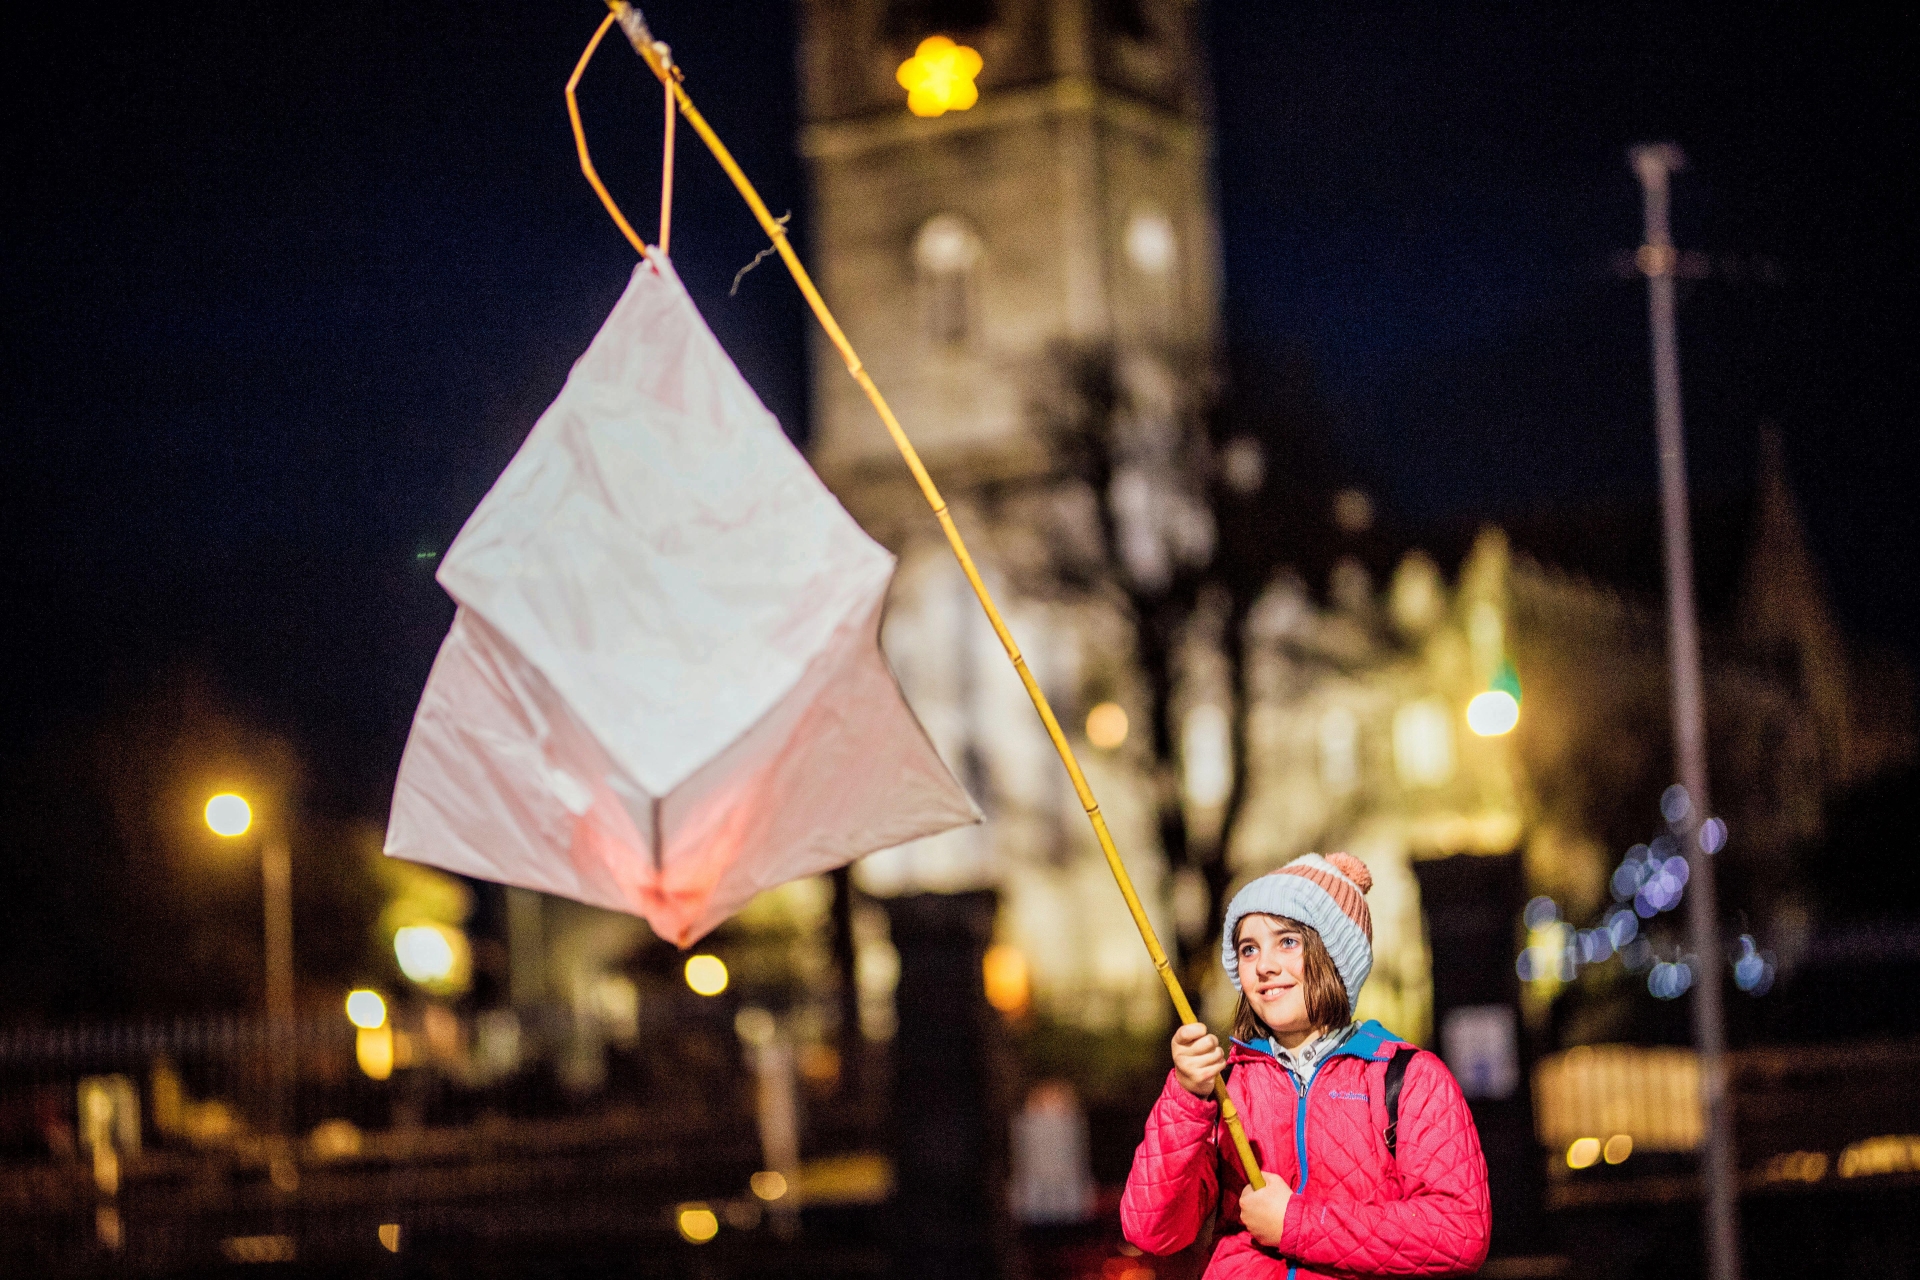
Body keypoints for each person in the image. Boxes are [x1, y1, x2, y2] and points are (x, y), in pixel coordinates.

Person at [1121, 852, 1491, 1278]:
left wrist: (1297, 1223)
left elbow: (1460, 1232)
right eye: (1248, 949)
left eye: (1287, 942)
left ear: (1336, 955)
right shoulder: (1224, 1086)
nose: (1264, 966)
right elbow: (1151, 1230)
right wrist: (1186, 1099)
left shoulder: (1409, 1078)